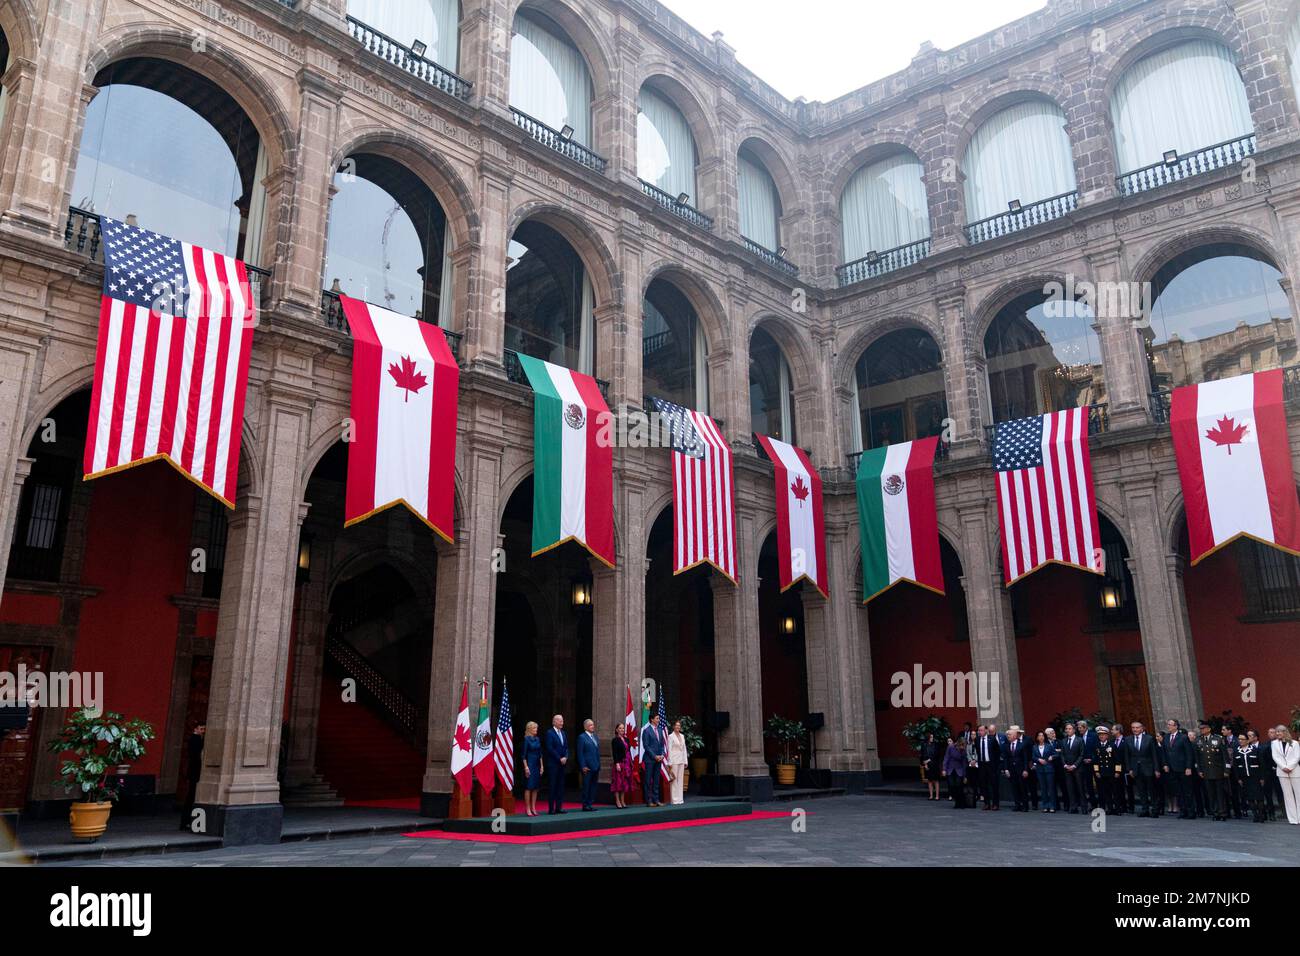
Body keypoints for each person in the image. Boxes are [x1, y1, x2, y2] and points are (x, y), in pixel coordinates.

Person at [1162, 718, 1197, 819]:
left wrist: (1188, 767)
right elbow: (1164, 753)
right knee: (1178, 791)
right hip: (1172, 769)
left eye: (1170, 724)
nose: (1168, 726)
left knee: (1187, 791)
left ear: (1176, 726)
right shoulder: (1166, 737)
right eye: (1168, 724)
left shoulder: (1183, 737)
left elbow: (1189, 753)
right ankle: (1183, 811)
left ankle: (1191, 811)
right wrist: (1165, 764)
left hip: (1183, 768)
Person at [1124, 721, 1160, 817]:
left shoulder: (1149, 739)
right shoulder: (1128, 739)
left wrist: (1156, 769)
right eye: (1133, 728)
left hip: (1148, 768)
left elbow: (1154, 755)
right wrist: (1129, 769)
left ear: (1142, 728)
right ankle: (1145, 809)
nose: (1135, 729)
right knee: (1141, 790)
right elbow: (1127, 756)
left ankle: (1155, 809)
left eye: (1137, 727)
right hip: (1136, 769)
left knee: (1152, 790)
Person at [1196, 722, 1229, 821]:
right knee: (1211, 794)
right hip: (1206, 771)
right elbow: (1198, 758)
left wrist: (1226, 770)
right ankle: (1215, 812)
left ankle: (1222, 812)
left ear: (1209, 729)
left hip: (1218, 770)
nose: (1201, 730)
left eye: (1203, 728)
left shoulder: (1218, 739)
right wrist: (1199, 770)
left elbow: (1225, 756)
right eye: (1200, 728)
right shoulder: (1199, 740)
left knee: (1220, 794)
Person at [1234, 731, 1266, 823]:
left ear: (1248, 741)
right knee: (1250, 797)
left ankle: (1261, 815)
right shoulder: (1237, 751)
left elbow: (1261, 764)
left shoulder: (1255, 749)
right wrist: (1238, 778)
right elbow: (1236, 766)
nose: (1240, 741)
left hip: (1255, 777)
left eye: (1242, 739)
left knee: (1259, 797)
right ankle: (1255, 815)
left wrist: (1262, 778)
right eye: (1239, 739)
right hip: (1245, 778)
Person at [1273, 725, 1300, 825]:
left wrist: (1290, 767)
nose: (1277, 734)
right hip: (1282, 772)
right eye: (1277, 732)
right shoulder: (1274, 743)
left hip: (1295, 771)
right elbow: (1275, 757)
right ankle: (1293, 819)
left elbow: (1297, 756)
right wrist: (1283, 767)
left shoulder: (1295, 743)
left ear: (1285, 732)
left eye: (1279, 732)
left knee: (1299, 794)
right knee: (1287, 796)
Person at [1093, 724, 1122, 815]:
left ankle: (1117, 809)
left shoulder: (1112, 745)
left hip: (1111, 772)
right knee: (1106, 792)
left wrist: (1117, 771)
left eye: (1103, 734)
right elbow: (1095, 760)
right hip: (1102, 772)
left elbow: (1117, 759)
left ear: (1107, 735)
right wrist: (1097, 771)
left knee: (1115, 791)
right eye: (1100, 735)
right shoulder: (1097, 746)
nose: (1101, 736)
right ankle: (1109, 808)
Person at [640, 710, 665, 806]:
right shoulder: (646, 731)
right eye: (657, 718)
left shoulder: (660, 730)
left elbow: (662, 745)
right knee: (648, 780)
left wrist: (662, 755)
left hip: (659, 759)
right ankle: (648, 800)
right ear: (651, 719)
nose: (659, 720)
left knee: (656, 781)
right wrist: (655, 756)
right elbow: (646, 746)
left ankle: (656, 799)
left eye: (658, 718)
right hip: (650, 760)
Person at [545, 714, 569, 814]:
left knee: (560, 786)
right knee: (553, 786)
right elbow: (550, 748)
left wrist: (566, 757)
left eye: (562, 721)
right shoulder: (549, 733)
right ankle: (551, 809)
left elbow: (566, 747)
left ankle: (559, 807)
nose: (562, 723)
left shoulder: (563, 733)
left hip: (562, 764)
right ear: (554, 722)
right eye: (560, 721)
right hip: (553, 764)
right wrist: (559, 758)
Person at [1059, 722, 1084, 814]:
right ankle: (1073, 807)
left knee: (1080, 788)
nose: (1068, 730)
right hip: (1067, 768)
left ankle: (1083, 807)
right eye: (1067, 729)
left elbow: (1081, 755)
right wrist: (1065, 765)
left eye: (1070, 729)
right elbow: (1062, 755)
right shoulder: (1063, 741)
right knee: (1070, 789)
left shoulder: (1079, 740)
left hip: (1077, 768)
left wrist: (1074, 765)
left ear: (1074, 730)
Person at [976, 722, 1002, 810]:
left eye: (981, 730)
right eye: (979, 731)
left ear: (986, 731)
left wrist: (996, 764)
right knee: (983, 785)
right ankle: (986, 803)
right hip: (982, 765)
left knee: (994, 785)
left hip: (991, 765)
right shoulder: (977, 740)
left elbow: (998, 752)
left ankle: (995, 804)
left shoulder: (992, 739)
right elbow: (978, 752)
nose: (980, 732)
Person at [1003, 726, 1030, 811]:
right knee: (1014, 788)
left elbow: (1025, 758)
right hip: (1012, 770)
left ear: (1015, 736)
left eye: (1010, 735)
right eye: (1008, 735)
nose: (1008, 736)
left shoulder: (1022, 745)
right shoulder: (1007, 746)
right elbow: (1006, 758)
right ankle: (1017, 804)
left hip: (1021, 769)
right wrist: (1006, 769)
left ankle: (1025, 806)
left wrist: (1026, 770)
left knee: (1022, 788)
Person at [577, 718, 601, 811]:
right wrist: (583, 766)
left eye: (593, 724)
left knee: (593, 786)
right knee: (586, 786)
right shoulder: (581, 737)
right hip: (587, 767)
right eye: (591, 725)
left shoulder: (595, 737)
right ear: (586, 727)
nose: (593, 726)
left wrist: (599, 764)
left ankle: (590, 803)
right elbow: (580, 753)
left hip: (596, 766)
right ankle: (585, 804)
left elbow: (597, 752)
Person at [521, 721, 543, 816]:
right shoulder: (526, 740)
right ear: (529, 729)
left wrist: (542, 766)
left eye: (536, 728)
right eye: (534, 728)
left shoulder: (537, 739)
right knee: (529, 787)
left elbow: (540, 754)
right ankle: (528, 808)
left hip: (537, 765)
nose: (536, 730)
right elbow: (523, 755)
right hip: (529, 764)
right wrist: (526, 767)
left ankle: (534, 807)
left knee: (535, 787)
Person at [1076, 720, 1098, 810]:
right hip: (1084, 764)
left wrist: (1091, 759)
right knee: (1089, 785)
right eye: (1078, 728)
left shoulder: (1093, 735)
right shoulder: (1078, 737)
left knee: (1099, 784)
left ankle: (1103, 803)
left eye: (1080, 728)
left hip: (1094, 763)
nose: (1079, 729)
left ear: (1085, 727)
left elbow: (1097, 748)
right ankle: (1093, 804)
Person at [1033, 731, 1057, 812]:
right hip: (1040, 770)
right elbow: (1032, 757)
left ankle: (1052, 806)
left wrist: (1052, 757)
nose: (1041, 737)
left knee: (1051, 788)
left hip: (1049, 769)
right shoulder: (1034, 747)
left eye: (1042, 735)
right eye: (1039, 735)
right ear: (1037, 738)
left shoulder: (1049, 746)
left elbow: (1056, 754)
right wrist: (1038, 759)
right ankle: (1045, 806)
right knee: (1043, 789)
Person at [610, 723, 632, 809]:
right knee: (618, 783)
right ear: (616, 730)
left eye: (623, 728)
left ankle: (623, 800)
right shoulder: (615, 740)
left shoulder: (626, 739)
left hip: (626, 764)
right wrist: (617, 764)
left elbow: (628, 751)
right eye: (620, 728)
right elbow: (614, 753)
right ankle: (617, 801)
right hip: (619, 763)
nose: (622, 730)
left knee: (624, 783)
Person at [943, 737, 968, 808]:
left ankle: (960, 803)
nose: (963, 747)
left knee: (959, 786)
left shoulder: (963, 751)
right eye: (962, 745)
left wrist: (965, 775)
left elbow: (964, 763)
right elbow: (946, 758)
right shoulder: (950, 747)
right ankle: (957, 800)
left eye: (964, 745)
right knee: (951, 785)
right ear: (958, 743)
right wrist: (944, 769)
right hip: (950, 769)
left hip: (959, 770)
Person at [667, 719, 688, 805]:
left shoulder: (682, 736)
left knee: (681, 780)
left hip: (681, 760)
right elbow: (669, 750)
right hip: (674, 760)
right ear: (673, 726)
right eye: (676, 725)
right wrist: (670, 763)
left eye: (679, 725)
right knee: (674, 780)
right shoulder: (670, 736)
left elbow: (684, 749)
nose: (678, 727)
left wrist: (685, 761)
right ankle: (674, 800)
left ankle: (680, 799)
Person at [921, 732, 944, 800]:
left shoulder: (935, 745)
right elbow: (922, 755)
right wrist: (925, 764)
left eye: (932, 737)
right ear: (928, 738)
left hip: (935, 764)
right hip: (927, 765)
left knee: (936, 780)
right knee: (929, 780)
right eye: (931, 737)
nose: (932, 738)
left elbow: (936, 755)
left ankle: (937, 796)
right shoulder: (924, 745)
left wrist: (928, 760)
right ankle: (931, 795)